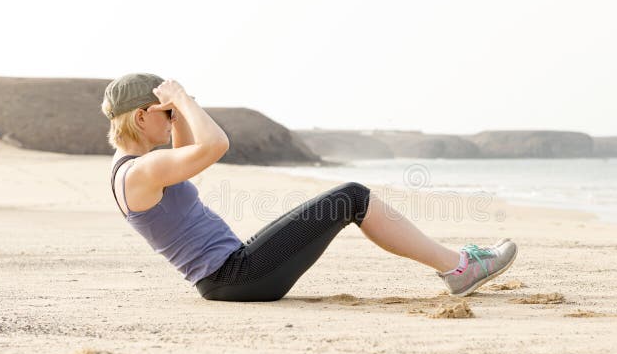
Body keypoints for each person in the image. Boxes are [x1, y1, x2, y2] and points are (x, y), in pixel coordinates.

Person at [101, 73, 518, 302]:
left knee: (341, 200)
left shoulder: (132, 170)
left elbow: (188, 157)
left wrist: (178, 110)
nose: (172, 121)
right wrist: (185, 98)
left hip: (232, 272)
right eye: (166, 115)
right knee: (352, 195)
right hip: (237, 276)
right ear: (142, 117)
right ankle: (460, 268)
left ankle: (457, 265)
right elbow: (216, 145)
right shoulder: (141, 172)